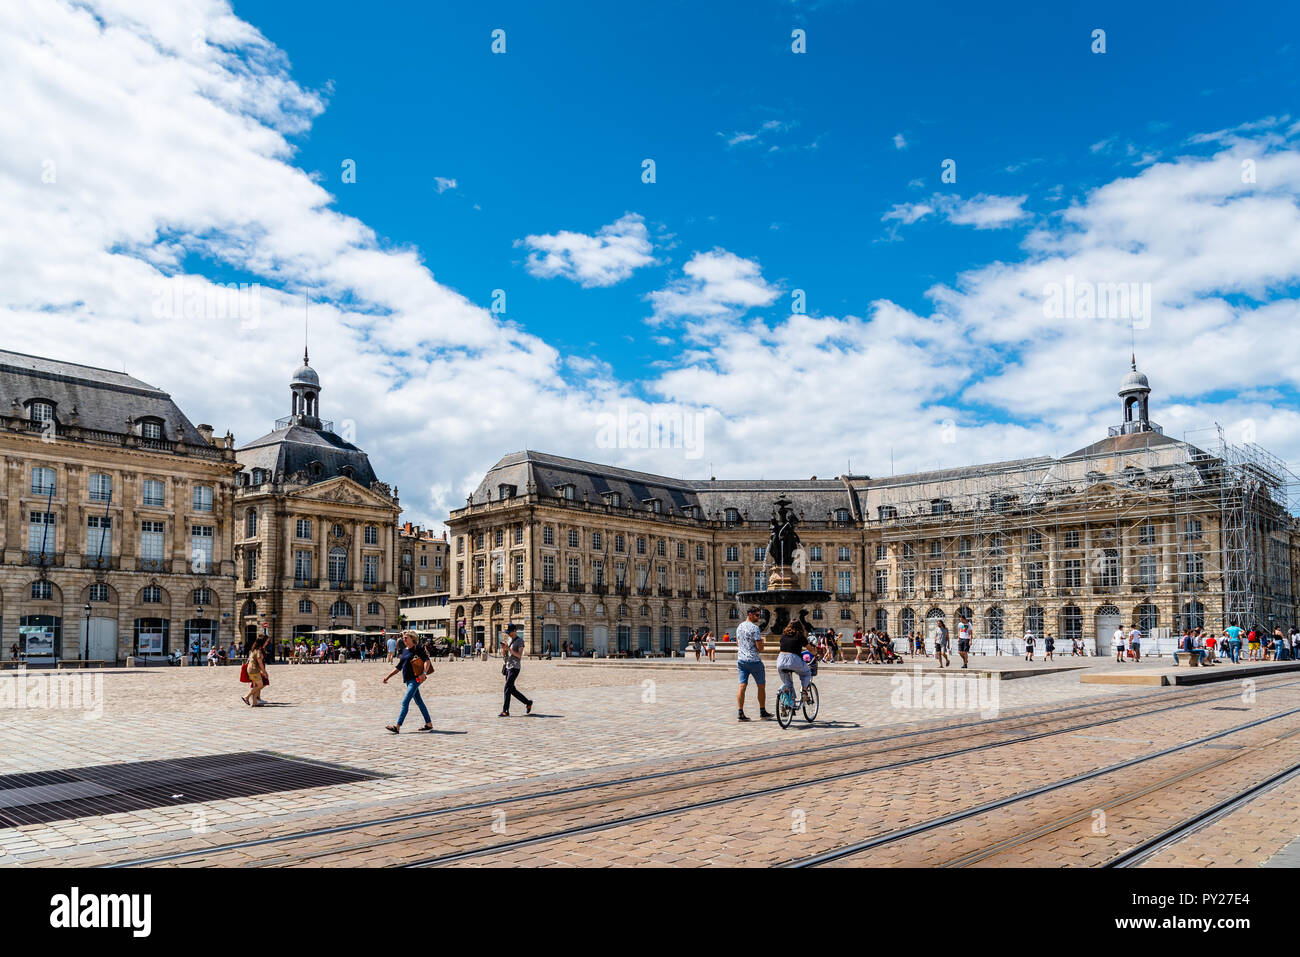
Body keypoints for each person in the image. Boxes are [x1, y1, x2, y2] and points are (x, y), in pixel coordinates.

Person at [383, 632, 433, 733]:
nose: (404, 639)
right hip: (408, 680)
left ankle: (397, 726)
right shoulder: (404, 651)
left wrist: (423, 673)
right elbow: (398, 667)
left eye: (406, 638)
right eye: (403, 638)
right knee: (419, 702)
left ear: (412, 639)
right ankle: (429, 724)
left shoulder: (417, 649)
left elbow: (427, 661)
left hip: (416, 679)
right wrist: (388, 677)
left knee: (405, 702)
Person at [735, 607, 772, 721]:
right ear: (750, 614)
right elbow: (760, 648)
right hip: (754, 661)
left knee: (742, 686)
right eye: (756, 615)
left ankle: (740, 712)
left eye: (758, 615)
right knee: (761, 686)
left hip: (741, 660)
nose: (758, 617)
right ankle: (762, 711)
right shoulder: (755, 628)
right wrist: (762, 643)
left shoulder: (739, 626)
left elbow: (737, 642)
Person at [776, 621, 814, 706]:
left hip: (780, 660)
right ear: (800, 627)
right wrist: (816, 654)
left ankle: (790, 703)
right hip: (793, 660)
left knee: (788, 684)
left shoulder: (783, 636)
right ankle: (804, 691)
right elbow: (810, 649)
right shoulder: (799, 636)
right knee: (807, 673)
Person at [499, 623, 533, 717]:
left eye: (509, 632)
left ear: (514, 631)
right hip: (508, 666)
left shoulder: (520, 641)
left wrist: (509, 649)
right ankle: (528, 702)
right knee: (511, 690)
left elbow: (519, 655)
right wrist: (504, 649)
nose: (508, 634)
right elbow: (504, 655)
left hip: (515, 667)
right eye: (507, 632)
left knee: (507, 688)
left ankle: (505, 710)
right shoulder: (509, 639)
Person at [241, 637, 268, 707]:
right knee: (260, 685)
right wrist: (264, 672)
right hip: (254, 670)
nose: (267, 643)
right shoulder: (258, 651)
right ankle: (246, 697)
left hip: (252, 669)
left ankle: (254, 702)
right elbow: (260, 663)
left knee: (256, 686)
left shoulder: (254, 650)